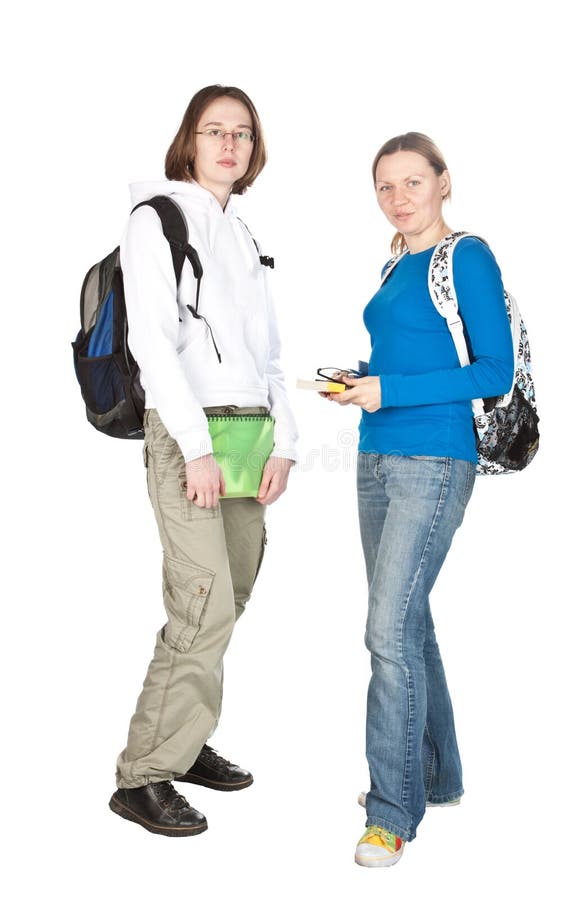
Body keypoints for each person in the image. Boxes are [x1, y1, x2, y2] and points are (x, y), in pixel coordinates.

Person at [109, 85, 298, 837]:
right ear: (188, 140)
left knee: (232, 594)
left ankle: (183, 743)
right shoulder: (155, 218)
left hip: (250, 430)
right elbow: (152, 344)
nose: (229, 144)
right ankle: (143, 774)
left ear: (254, 150)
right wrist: (194, 448)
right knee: (201, 603)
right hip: (191, 431)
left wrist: (282, 441)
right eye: (214, 131)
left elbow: (268, 354)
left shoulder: (242, 232)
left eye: (243, 134)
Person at [324, 132, 514, 866]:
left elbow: (492, 370)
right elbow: (412, 356)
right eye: (385, 187)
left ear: (443, 182)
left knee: (385, 631)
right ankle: (437, 776)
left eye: (413, 182)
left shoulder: (465, 256)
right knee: (410, 624)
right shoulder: (395, 262)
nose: (399, 198)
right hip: (376, 455)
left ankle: (391, 811)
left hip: (434, 460)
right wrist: (361, 381)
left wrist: (391, 391)